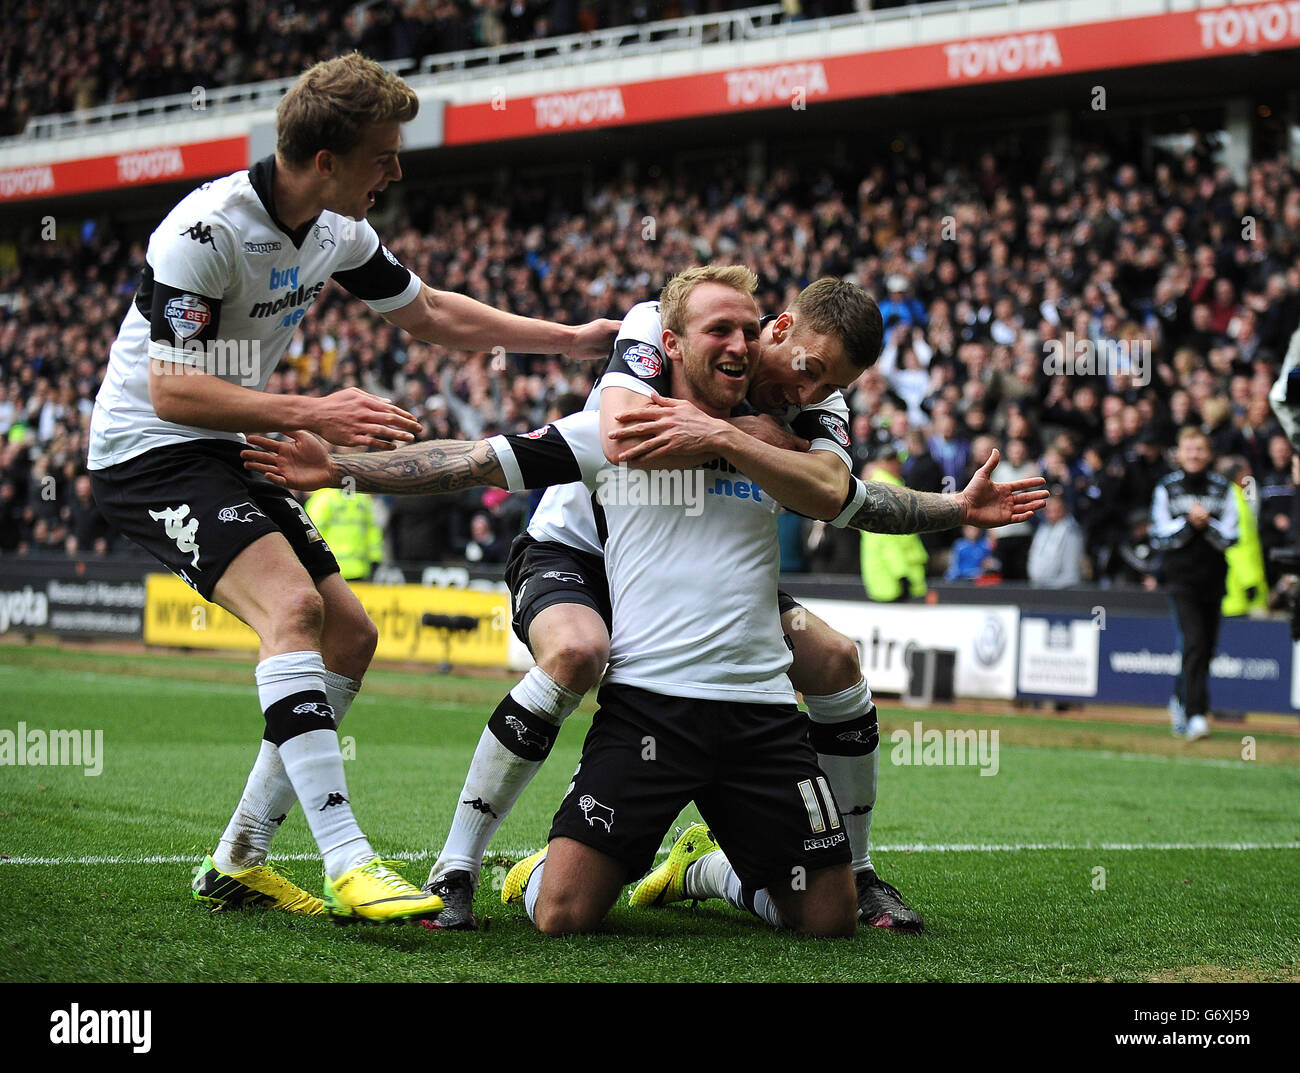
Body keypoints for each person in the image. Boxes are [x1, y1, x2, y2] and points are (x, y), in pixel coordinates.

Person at [243, 268, 1049, 934]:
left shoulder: (809, 413)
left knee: (834, 657)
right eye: (805, 365)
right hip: (578, 546)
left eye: (828, 383)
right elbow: (574, 441)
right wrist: (345, 464)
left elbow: (839, 494)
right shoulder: (653, 340)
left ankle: (815, 870)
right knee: (576, 652)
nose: (808, 387)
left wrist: (945, 508)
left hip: (705, 597)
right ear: (777, 325)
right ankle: (459, 862)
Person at [86, 52, 619, 924]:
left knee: (352, 635)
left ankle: (240, 858)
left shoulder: (337, 229)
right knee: (294, 612)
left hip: (227, 445)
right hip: (149, 452)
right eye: (384, 154)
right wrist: (316, 412)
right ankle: (347, 858)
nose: (398, 170)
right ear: (327, 160)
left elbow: (433, 313)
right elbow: (171, 389)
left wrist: (567, 341)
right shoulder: (204, 231)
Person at [1150, 428, 1239, 741]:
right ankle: (1196, 714)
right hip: (1180, 579)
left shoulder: (1223, 487)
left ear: (1209, 453)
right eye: (1189, 449)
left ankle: (1179, 698)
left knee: (1206, 648)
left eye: (1200, 449)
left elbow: (1232, 536)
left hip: (1214, 579)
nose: (1195, 455)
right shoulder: (1166, 487)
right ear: (1179, 452)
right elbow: (1158, 536)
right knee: (1194, 642)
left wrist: (1207, 524)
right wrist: (1189, 524)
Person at [859, 447, 928, 601]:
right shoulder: (884, 487)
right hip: (894, 579)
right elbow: (884, 537)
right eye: (894, 460)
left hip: (896, 575)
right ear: (883, 463)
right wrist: (901, 572)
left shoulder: (892, 483)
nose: (899, 464)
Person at [1026, 489, 1086, 588]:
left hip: (1062, 591)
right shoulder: (1042, 530)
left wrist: (1049, 587)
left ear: (1064, 510)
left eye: (1056, 510)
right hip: (1038, 588)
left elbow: (1071, 574)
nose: (1052, 515)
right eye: (1049, 511)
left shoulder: (1071, 533)